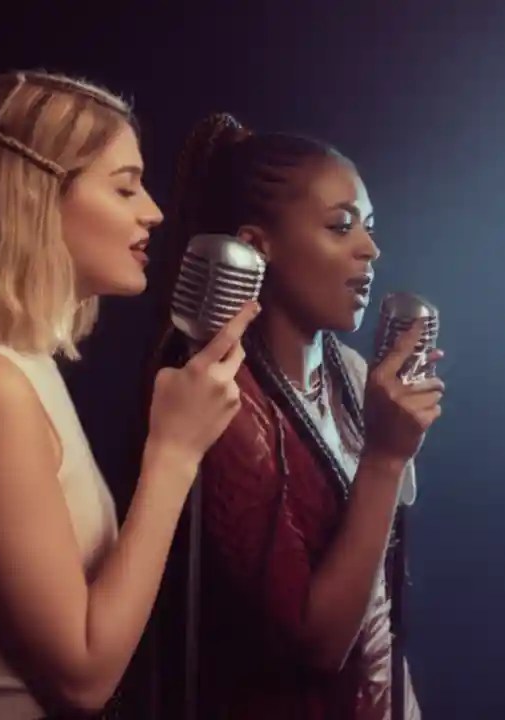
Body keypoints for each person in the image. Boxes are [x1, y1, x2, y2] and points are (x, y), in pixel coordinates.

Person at [0, 70, 257, 719]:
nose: (154, 212)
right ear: (34, 197)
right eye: (124, 186)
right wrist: (174, 452)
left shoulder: (21, 369)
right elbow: (82, 677)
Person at [144, 113, 442, 719]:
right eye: (341, 226)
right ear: (257, 246)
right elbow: (319, 643)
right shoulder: (225, 407)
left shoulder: (353, 376)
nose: (370, 249)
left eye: (369, 227)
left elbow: (376, 607)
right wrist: (384, 459)